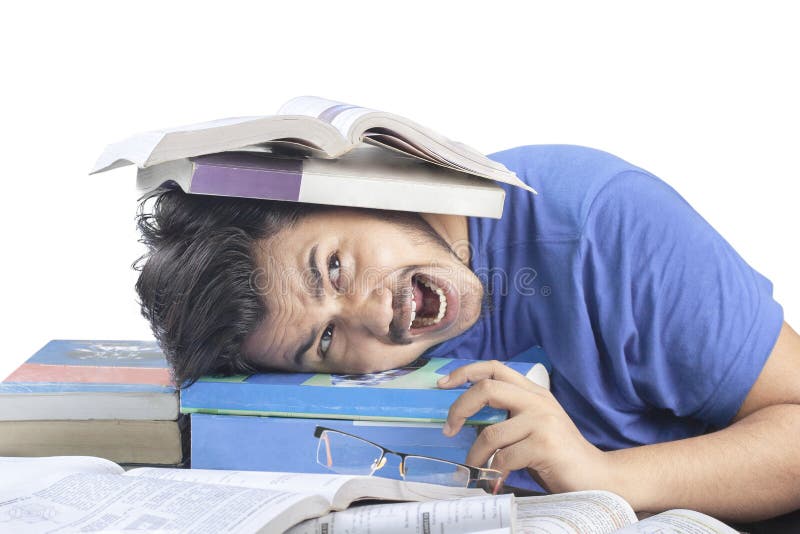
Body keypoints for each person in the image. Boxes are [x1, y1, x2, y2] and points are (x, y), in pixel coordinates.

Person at [134, 144, 800, 523]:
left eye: (334, 267)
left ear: (348, 183)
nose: (372, 315)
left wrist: (602, 475)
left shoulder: (601, 223)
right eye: (326, 342)